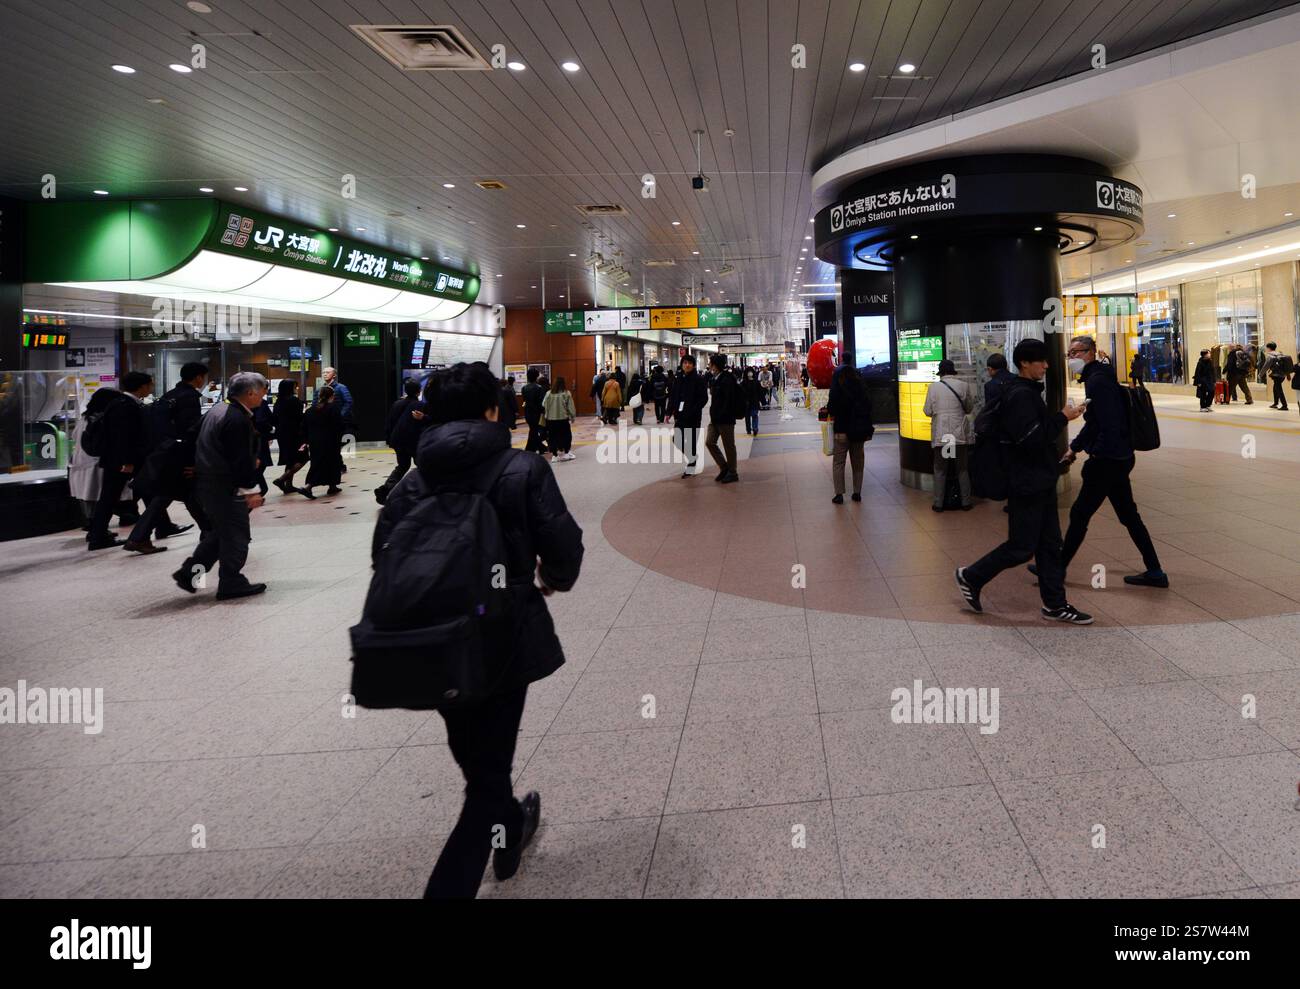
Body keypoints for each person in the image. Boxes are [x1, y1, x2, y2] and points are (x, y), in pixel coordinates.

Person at [372, 362, 583, 898]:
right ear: (494, 409)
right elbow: (562, 546)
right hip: (502, 633)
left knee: (479, 759)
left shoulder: (411, 482)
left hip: (429, 639)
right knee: (487, 774)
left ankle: (509, 829)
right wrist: (551, 578)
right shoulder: (522, 468)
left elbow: (384, 559)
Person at [954, 338, 1091, 624]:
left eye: (1045, 360)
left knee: (1050, 546)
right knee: (1021, 546)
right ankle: (971, 576)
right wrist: (1063, 417)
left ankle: (1055, 605)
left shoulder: (1026, 392)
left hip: (1039, 480)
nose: (1045, 366)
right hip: (1026, 484)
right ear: (1024, 363)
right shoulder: (1020, 395)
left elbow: (1034, 439)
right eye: (1039, 361)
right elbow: (1031, 439)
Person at [1054, 335, 1167, 588]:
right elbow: (1096, 421)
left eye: (1076, 353)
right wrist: (1074, 448)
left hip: (1108, 460)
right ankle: (1156, 572)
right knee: (1129, 515)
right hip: (1120, 457)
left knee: (1080, 513)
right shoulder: (1101, 376)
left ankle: (1056, 570)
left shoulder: (1097, 381)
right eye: (1069, 354)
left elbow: (1104, 423)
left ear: (1091, 353)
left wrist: (1095, 455)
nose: (1071, 358)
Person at [173, 371, 268, 600]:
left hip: (209, 483)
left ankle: (190, 575)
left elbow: (191, 437)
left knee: (220, 534)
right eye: (262, 391)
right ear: (251, 392)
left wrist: (197, 462)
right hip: (225, 486)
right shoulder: (235, 419)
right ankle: (231, 582)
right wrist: (250, 491)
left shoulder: (218, 410)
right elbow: (239, 459)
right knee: (236, 535)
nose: (263, 397)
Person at [122, 362, 208, 554]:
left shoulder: (170, 395)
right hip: (179, 454)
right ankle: (210, 532)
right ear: (198, 377)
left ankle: (140, 537)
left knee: (175, 494)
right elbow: (190, 430)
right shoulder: (189, 397)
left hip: (165, 451)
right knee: (175, 494)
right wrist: (194, 460)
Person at [87, 371, 154, 551]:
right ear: (142, 386)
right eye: (150, 384)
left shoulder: (122, 403)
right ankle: (98, 536)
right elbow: (122, 437)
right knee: (110, 498)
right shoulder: (125, 406)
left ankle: (98, 535)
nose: (151, 388)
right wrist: (127, 461)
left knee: (114, 497)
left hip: (119, 460)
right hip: (122, 462)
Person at [923, 359, 975, 512]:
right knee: (962, 468)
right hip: (959, 433)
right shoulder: (963, 386)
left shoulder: (933, 388)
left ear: (941, 373)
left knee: (941, 468)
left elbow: (927, 411)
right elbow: (969, 408)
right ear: (953, 371)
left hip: (945, 436)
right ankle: (966, 502)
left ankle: (939, 503)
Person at [827, 364, 873, 504]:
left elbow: (831, 409)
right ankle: (857, 493)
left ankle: (839, 494)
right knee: (858, 463)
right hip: (858, 431)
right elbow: (869, 407)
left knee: (839, 463)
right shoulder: (861, 389)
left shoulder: (837, 389)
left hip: (841, 432)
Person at [375, 379, 423, 503]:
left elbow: (390, 422)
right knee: (422, 466)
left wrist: (389, 439)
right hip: (414, 441)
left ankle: (385, 489)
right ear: (419, 392)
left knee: (402, 466)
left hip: (398, 441)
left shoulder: (397, 404)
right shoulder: (419, 405)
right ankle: (421, 492)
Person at [667, 354, 708, 477]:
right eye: (685, 363)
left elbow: (703, 398)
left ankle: (690, 468)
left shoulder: (699, 379)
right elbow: (673, 396)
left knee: (691, 442)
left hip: (693, 416)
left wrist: (693, 410)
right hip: (679, 416)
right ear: (682, 364)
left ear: (694, 365)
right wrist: (668, 412)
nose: (687, 365)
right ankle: (692, 457)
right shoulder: (679, 378)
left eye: (690, 363)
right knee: (677, 439)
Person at [301, 385, 345, 498]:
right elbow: (338, 426)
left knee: (317, 463)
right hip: (330, 441)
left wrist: (306, 441)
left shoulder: (310, 410)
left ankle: (329, 486)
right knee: (332, 463)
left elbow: (304, 427)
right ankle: (311, 487)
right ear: (332, 396)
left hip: (314, 441)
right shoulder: (333, 409)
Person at [704, 353, 741, 484]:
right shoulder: (716, 378)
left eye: (710, 363)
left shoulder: (727, 379)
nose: (709, 365)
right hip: (715, 419)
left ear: (715, 365)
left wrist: (722, 414)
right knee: (709, 442)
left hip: (726, 419)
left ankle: (733, 472)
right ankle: (724, 467)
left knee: (729, 446)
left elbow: (729, 401)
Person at [272, 379, 306, 491]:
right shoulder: (293, 401)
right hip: (295, 433)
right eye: (295, 386)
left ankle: (288, 485)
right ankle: (282, 479)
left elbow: (274, 419)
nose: (297, 389)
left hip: (282, 434)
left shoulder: (278, 401)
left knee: (290, 459)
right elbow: (299, 417)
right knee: (303, 457)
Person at [542, 376, 576, 462]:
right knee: (566, 435)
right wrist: (572, 416)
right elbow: (570, 407)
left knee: (552, 436)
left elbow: (543, 404)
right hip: (563, 418)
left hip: (550, 419)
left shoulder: (548, 393)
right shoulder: (566, 393)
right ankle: (566, 453)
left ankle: (555, 455)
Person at [251, 392, 275, 496]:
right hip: (259, 438)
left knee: (260, 463)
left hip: (257, 437)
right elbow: (262, 420)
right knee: (260, 463)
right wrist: (271, 429)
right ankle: (259, 488)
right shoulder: (260, 403)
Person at [521, 367, 549, 456]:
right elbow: (541, 402)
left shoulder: (524, 388)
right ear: (536, 376)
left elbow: (525, 400)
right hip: (536, 413)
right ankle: (538, 448)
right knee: (534, 430)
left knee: (533, 430)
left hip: (528, 412)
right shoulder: (539, 388)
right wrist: (543, 412)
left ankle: (534, 448)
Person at [1263, 341, 1293, 411]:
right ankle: (1275, 403)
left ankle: (1284, 405)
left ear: (1268, 348)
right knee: (1275, 388)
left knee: (1279, 390)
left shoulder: (1270, 355)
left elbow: (1265, 366)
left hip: (1277, 376)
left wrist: (1260, 375)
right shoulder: (1280, 354)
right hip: (1282, 375)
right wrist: (1288, 374)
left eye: (1266, 348)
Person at [741, 368, 762, 435]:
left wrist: (762, 401)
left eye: (751, 372)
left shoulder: (756, 382)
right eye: (748, 372)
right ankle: (748, 429)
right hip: (746, 402)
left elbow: (760, 392)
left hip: (755, 401)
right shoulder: (743, 382)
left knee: (754, 415)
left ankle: (755, 429)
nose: (750, 373)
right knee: (747, 417)